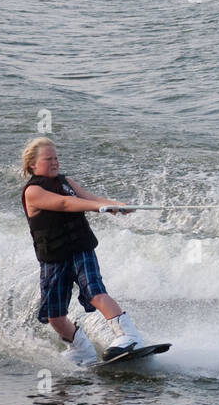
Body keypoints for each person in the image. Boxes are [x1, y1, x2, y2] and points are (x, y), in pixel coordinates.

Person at [20, 137, 145, 366]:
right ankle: (81, 350)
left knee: (94, 292)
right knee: (55, 316)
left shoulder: (66, 181)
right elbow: (65, 204)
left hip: (80, 249)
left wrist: (116, 205)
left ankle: (128, 336)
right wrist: (99, 208)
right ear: (32, 165)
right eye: (48, 159)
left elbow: (91, 198)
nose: (55, 162)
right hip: (53, 258)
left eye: (56, 157)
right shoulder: (33, 192)